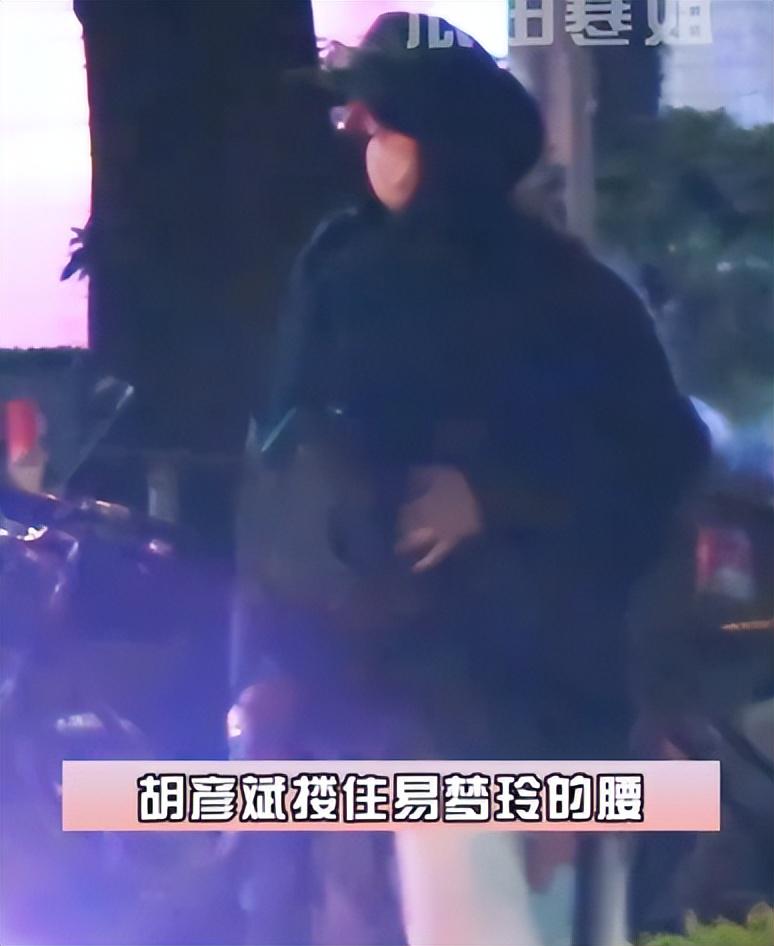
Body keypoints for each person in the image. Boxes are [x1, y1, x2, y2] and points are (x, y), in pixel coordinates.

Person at [236, 12, 710, 945]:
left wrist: (494, 496)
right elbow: (284, 478)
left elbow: (653, 465)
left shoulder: (565, 296)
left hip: (510, 710)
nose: (359, 140)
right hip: (354, 709)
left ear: (440, 138)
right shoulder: (338, 274)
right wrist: (267, 669)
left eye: (379, 121)